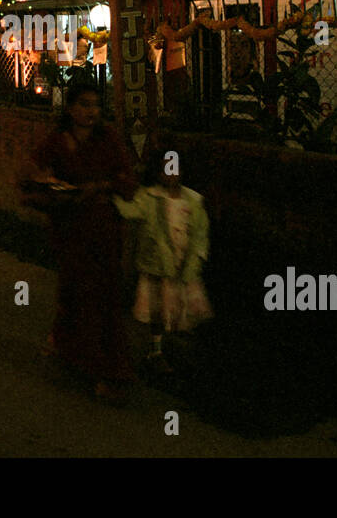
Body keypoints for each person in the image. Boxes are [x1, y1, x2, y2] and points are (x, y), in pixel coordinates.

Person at [20, 82, 138, 403]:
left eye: (96, 105)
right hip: (70, 229)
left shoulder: (109, 139)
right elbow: (29, 171)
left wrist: (99, 186)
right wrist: (47, 182)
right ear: (70, 108)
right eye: (84, 105)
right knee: (76, 293)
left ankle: (109, 370)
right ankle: (73, 350)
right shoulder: (57, 141)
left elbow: (127, 178)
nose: (91, 111)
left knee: (104, 299)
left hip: (104, 230)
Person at [114, 143, 213, 375]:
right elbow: (130, 210)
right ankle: (156, 352)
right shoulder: (149, 198)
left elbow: (200, 232)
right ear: (158, 172)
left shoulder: (193, 201)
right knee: (158, 310)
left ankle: (182, 352)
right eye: (165, 169)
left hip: (184, 265)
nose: (171, 173)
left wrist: (197, 258)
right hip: (159, 266)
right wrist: (116, 192)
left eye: (174, 168)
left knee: (183, 308)